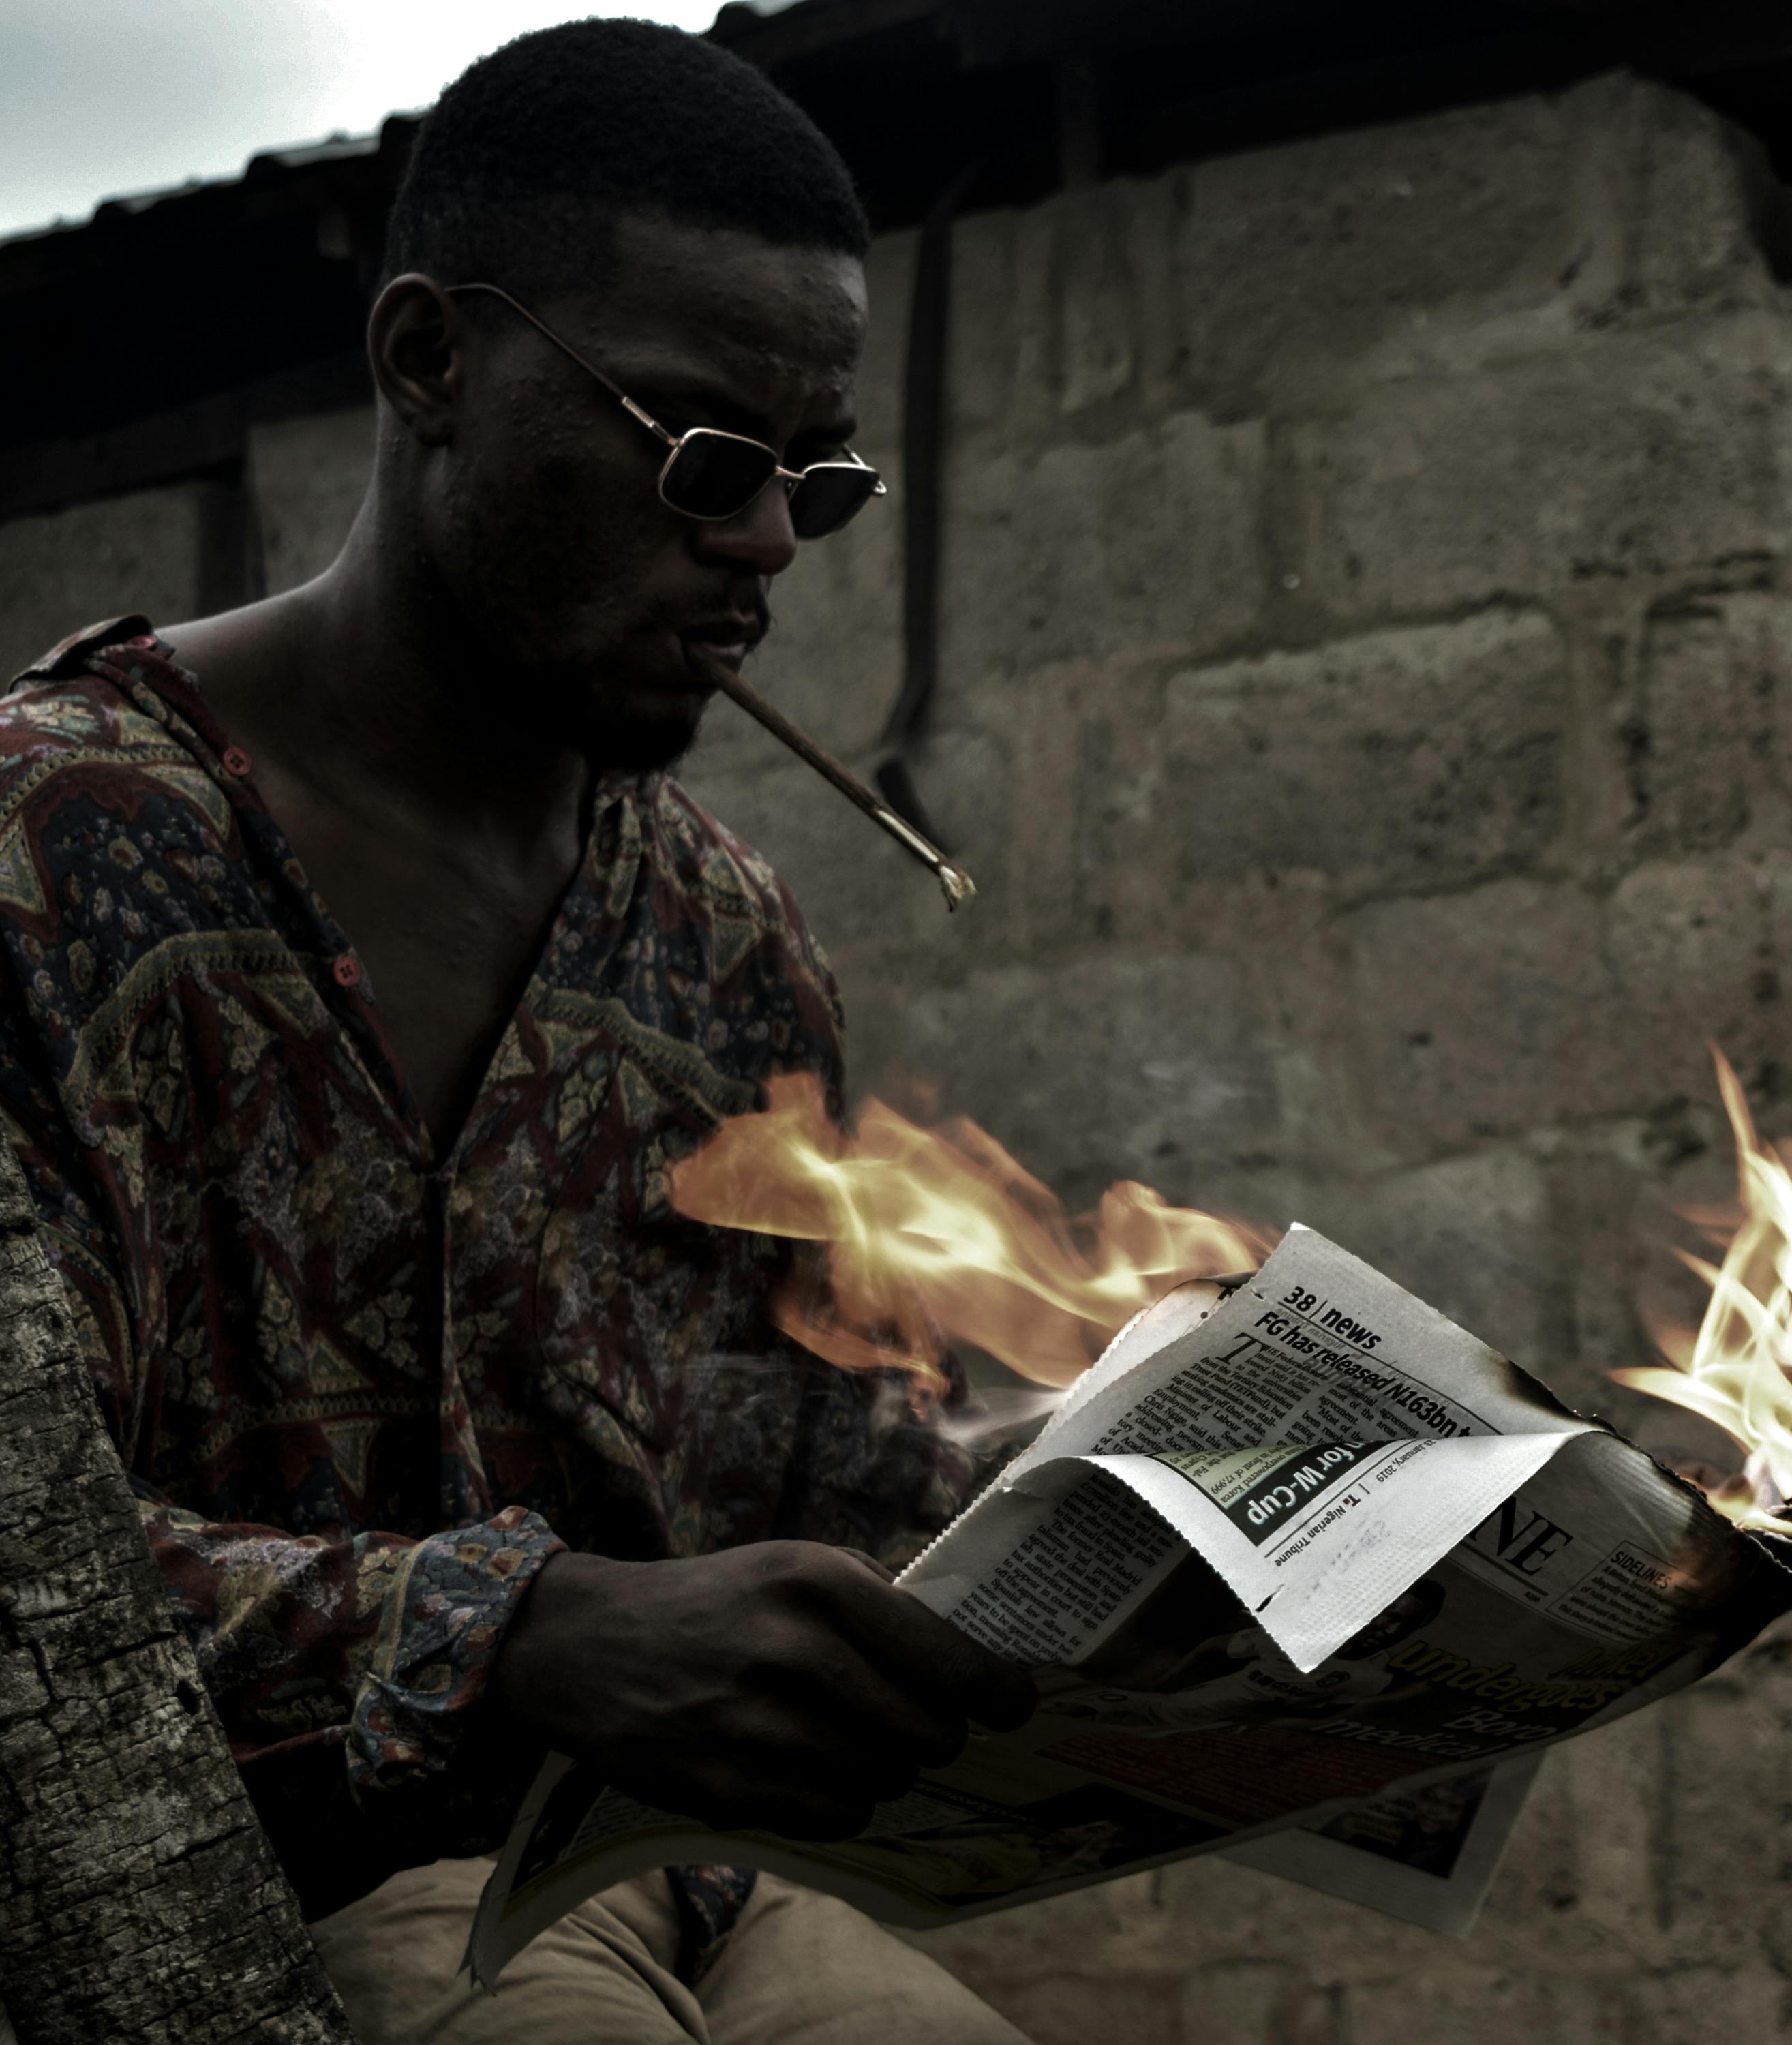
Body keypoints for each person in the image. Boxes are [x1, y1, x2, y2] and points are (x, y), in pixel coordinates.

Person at [1, 23, 1036, 2043]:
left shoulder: (721, 936)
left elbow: (811, 1473)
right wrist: (510, 1633)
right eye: (707, 460)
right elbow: (31, 1579)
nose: (762, 551)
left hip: (693, 1884)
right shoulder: (51, 855)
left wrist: (1155, 1493)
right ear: (428, 362)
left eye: (813, 485)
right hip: (238, 1921)